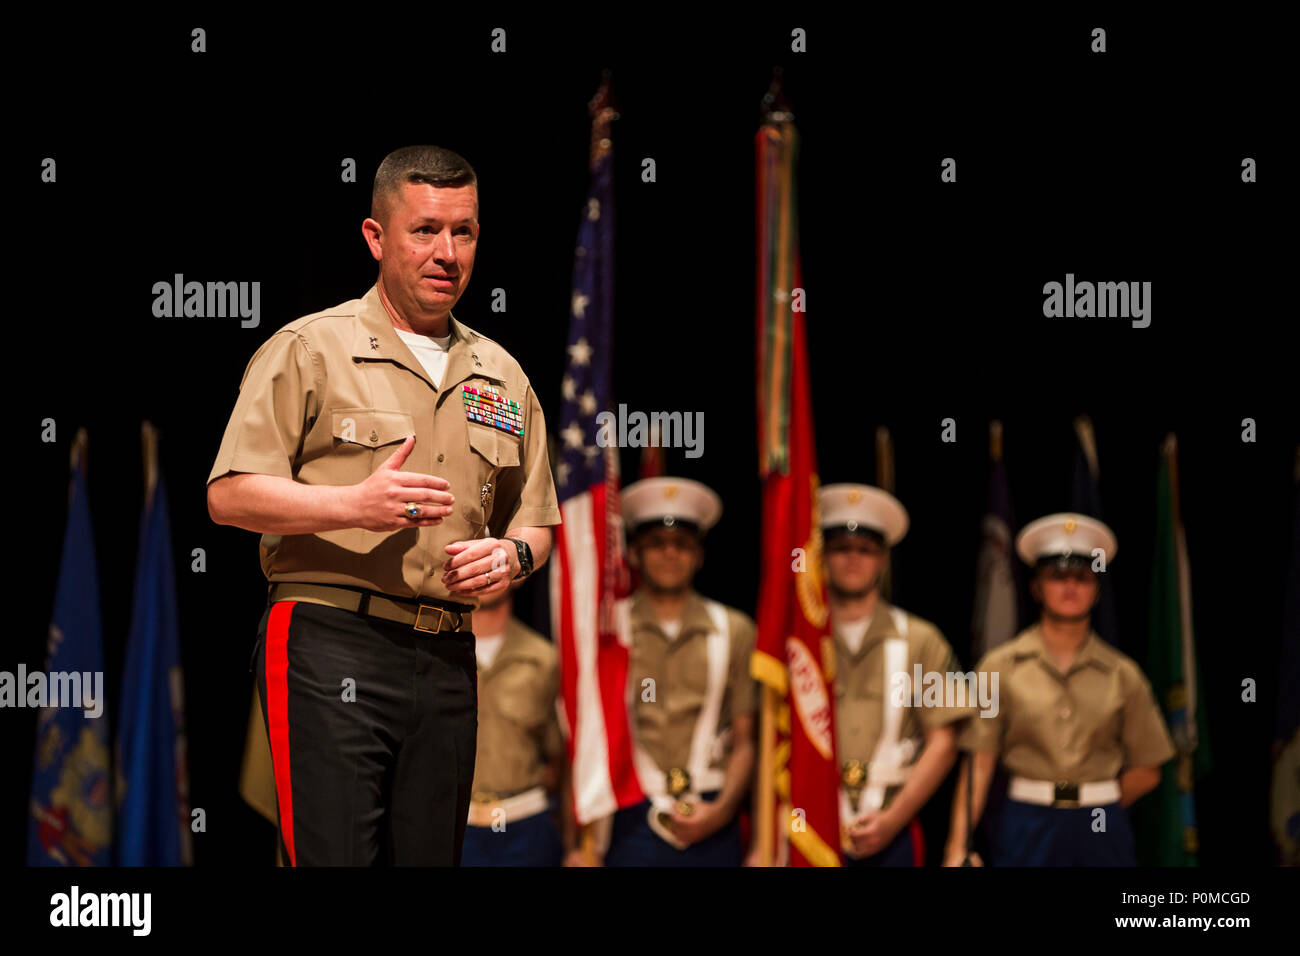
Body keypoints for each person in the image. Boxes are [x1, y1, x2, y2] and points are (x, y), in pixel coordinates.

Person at [206, 145, 561, 866]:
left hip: (449, 654)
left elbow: (538, 520)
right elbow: (229, 496)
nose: (447, 252)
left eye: (464, 232)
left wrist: (512, 555)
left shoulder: (503, 373)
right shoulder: (310, 348)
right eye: (425, 229)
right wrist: (352, 505)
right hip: (330, 638)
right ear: (376, 237)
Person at [943, 513, 1176, 867]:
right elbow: (979, 763)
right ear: (1036, 587)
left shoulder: (1123, 674)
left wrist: (1098, 799)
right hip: (1027, 821)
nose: (1070, 586)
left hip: (1101, 824)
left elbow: (1149, 767)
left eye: (1082, 577)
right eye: (1057, 575)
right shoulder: (1000, 666)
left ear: (1097, 589)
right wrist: (957, 847)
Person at [580, 477, 757, 866]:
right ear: (637, 553)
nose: (670, 554)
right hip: (629, 812)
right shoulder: (609, 628)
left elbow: (746, 739)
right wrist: (580, 843)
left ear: (699, 555)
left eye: (682, 545)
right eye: (657, 544)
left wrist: (725, 811)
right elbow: (585, 734)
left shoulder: (735, 628)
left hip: (714, 810)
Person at [819, 483, 971, 866]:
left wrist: (893, 819)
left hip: (893, 829)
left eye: (866, 550)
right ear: (821, 555)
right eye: (841, 548)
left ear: (883, 559)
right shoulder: (797, 643)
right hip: (808, 826)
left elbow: (945, 743)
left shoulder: (924, 639)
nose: (853, 559)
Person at [459, 586, 565, 866]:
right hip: (452, 824)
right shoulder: (437, 651)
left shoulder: (543, 657)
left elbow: (560, 753)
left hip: (525, 826)